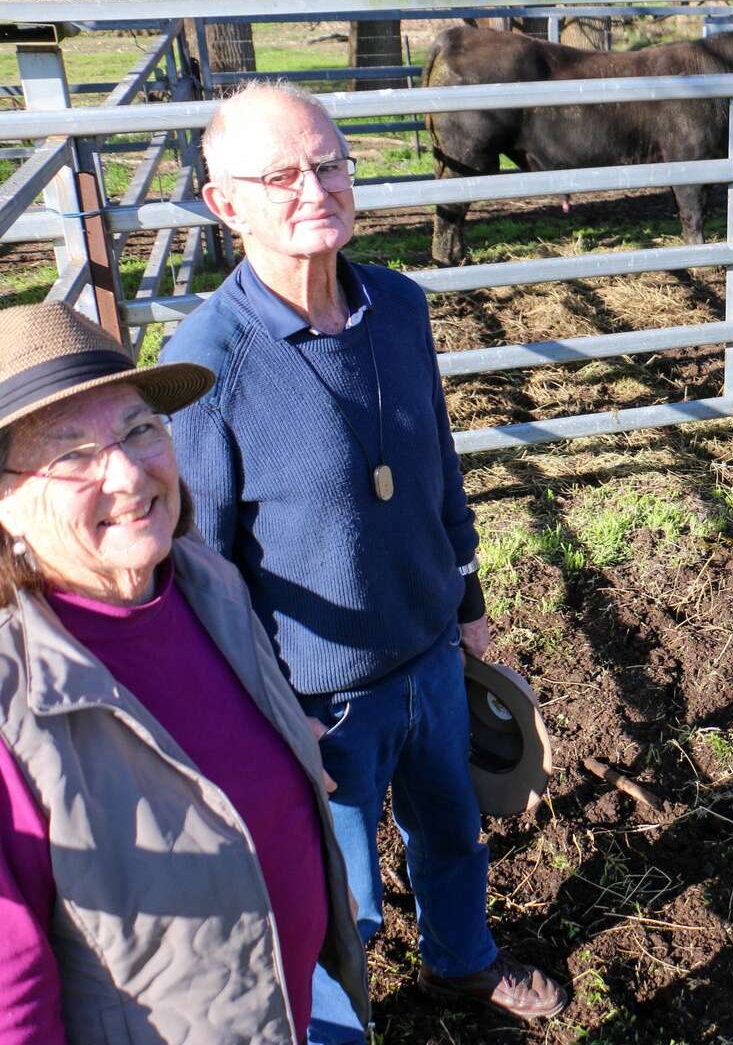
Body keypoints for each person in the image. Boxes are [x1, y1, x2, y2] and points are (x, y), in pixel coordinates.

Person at [159, 81, 567, 1043]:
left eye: (331, 163)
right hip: (317, 698)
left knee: (454, 831)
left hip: (429, 648)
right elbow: (201, 570)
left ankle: (463, 965)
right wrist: (266, 709)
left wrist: (467, 596)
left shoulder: (398, 305)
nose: (317, 187)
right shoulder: (206, 366)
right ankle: (340, 1023)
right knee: (339, 897)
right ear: (226, 205)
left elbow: (437, 466)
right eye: (282, 174)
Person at [0, 300, 367, 1044]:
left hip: (285, 1005)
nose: (130, 475)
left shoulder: (202, 579)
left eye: (141, 429)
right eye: (70, 455)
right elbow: (13, 997)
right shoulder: (14, 705)